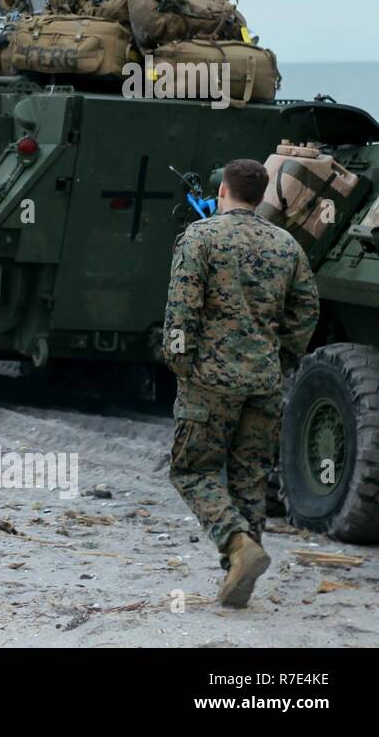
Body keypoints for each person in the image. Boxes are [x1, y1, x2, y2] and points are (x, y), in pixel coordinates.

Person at [163, 158, 319, 608]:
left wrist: (181, 362)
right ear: (264, 195)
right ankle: (238, 576)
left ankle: (235, 544)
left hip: (209, 379)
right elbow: (306, 310)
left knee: (192, 468)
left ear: (223, 192)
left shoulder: (201, 236)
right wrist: (281, 357)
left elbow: (181, 309)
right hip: (264, 381)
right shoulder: (286, 244)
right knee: (250, 478)